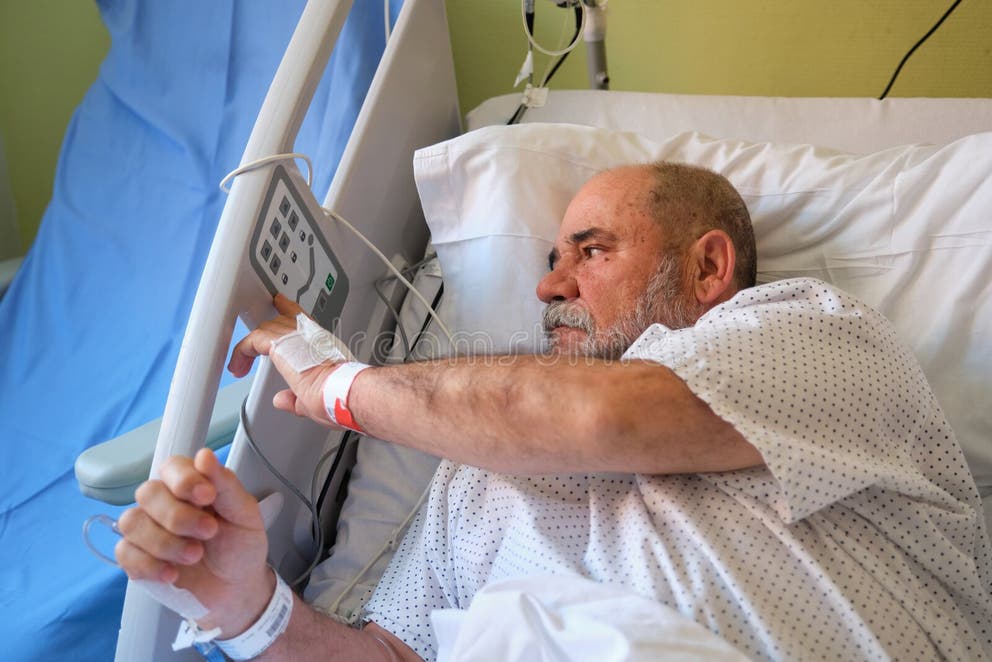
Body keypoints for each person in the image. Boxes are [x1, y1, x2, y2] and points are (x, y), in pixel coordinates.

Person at [115, 163, 992, 661]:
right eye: (548, 257)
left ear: (708, 269)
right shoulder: (469, 476)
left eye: (591, 250)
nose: (546, 284)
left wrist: (345, 387)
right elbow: (391, 659)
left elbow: (608, 421)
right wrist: (250, 606)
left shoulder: (813, 332)